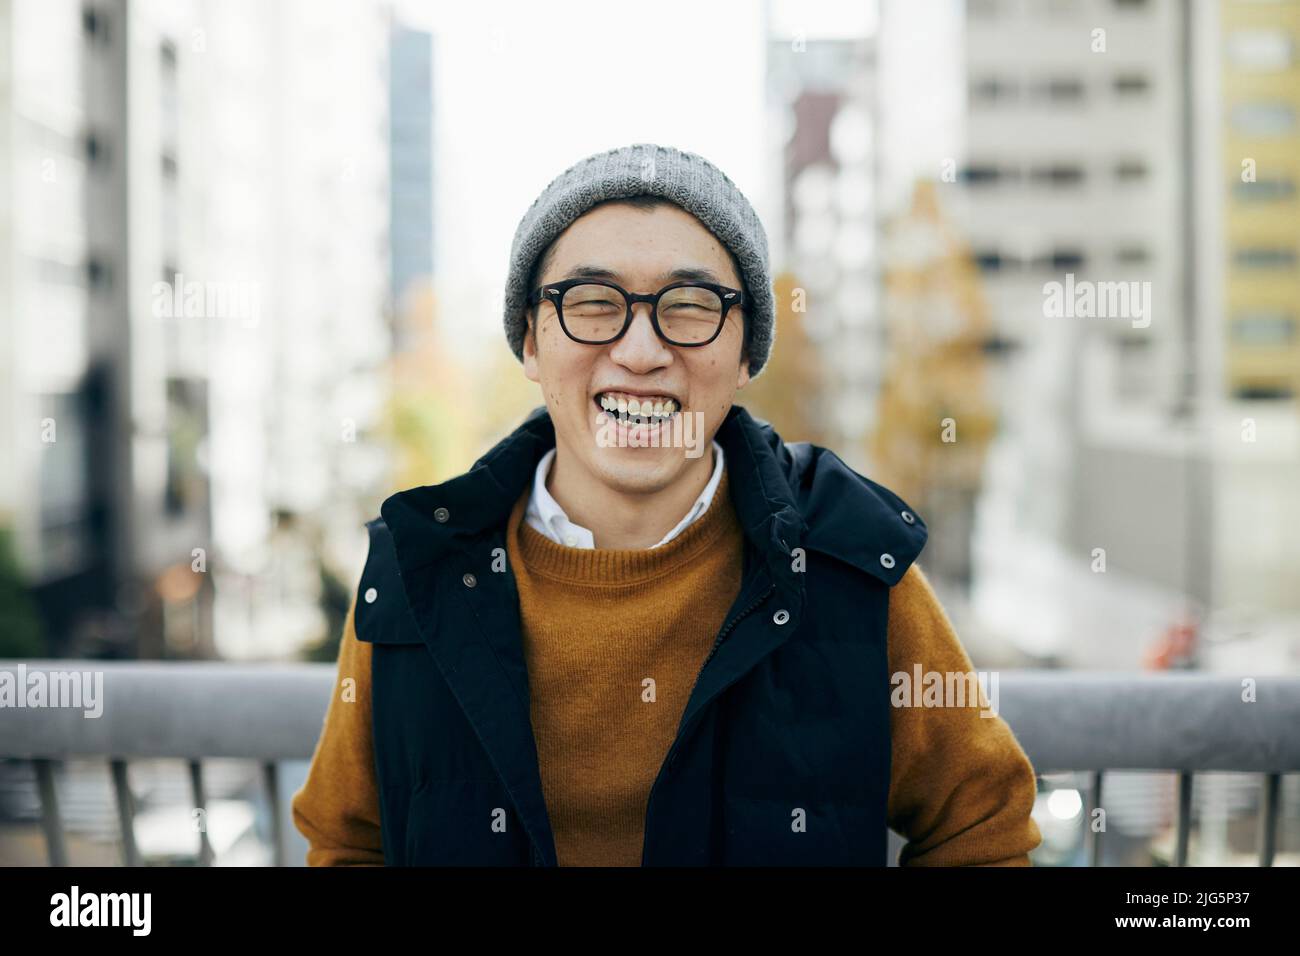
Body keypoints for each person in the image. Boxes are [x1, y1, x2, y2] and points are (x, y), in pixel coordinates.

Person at [291, 143, 1043, 866]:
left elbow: (984, 828)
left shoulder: (852, 565)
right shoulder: (418, 570)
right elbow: (348, 840)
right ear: (529, 341)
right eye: (591, 302)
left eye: (689, 307)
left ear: (748, 351)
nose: (643, 351)